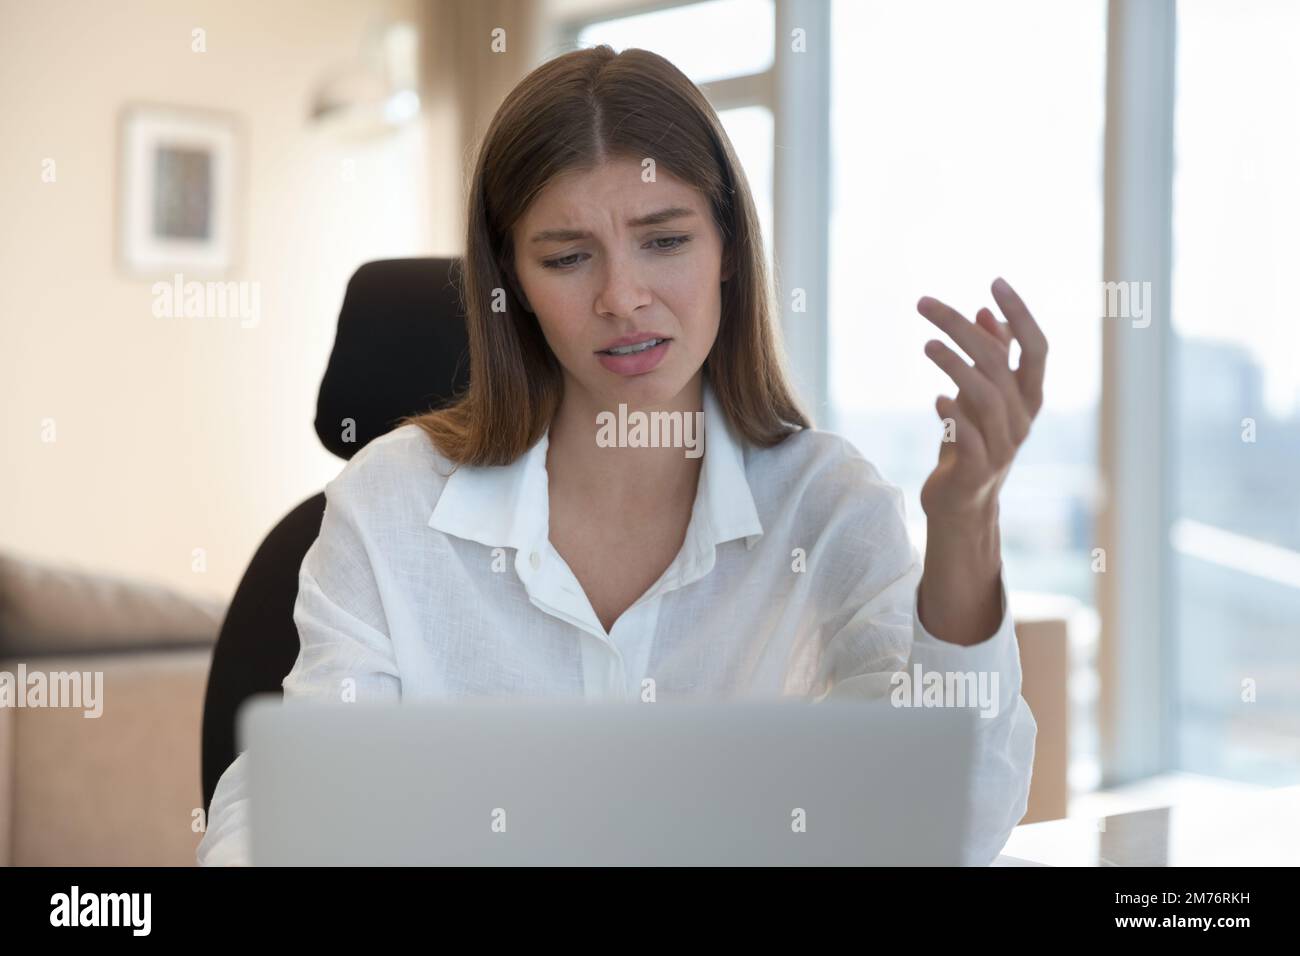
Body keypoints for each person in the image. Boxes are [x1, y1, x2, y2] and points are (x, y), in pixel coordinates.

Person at [198, 44, 1044, 867]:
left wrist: (966, 521)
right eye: (567, 258)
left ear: (729, 254)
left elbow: (946, 824)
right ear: (513, 287)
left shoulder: (823, 506)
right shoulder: (389, 504)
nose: (622, 298)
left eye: (665, 241)